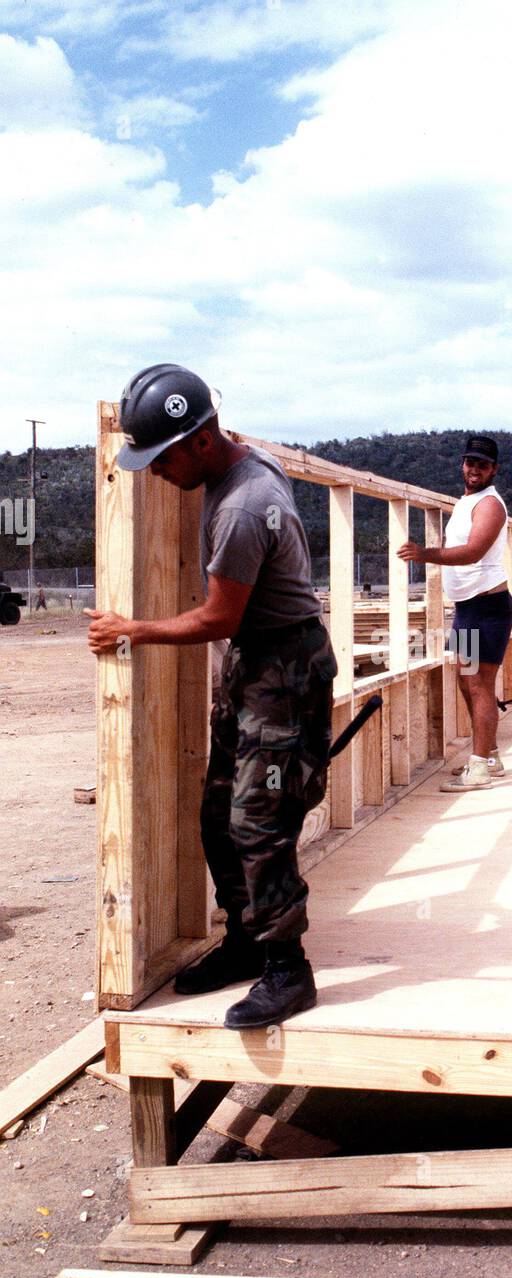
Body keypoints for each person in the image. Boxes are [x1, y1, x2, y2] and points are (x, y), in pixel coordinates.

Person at [85, 363, 337, 1029]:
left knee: (259, 819)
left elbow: (218, 619)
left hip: (284, 669)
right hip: (257, 664)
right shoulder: (232, 470)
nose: (159, 473)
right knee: (217, 813)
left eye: (162, 459)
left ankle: (288, 970)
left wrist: (131, 629)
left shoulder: (241, 507)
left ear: (199, 440)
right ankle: (246, 944)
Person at [397, 435, 512, 791]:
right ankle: (488, 756)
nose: (474, 469)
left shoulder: (490, 505)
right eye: (470, 463)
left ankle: (479, 767)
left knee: (479, 686)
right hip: (467, 608)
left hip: (487, 606)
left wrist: (423, 553)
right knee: (468, 682)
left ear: (493, 469)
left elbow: (474, 551)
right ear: (462, 464)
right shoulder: (467, 502)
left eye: (482, 465)